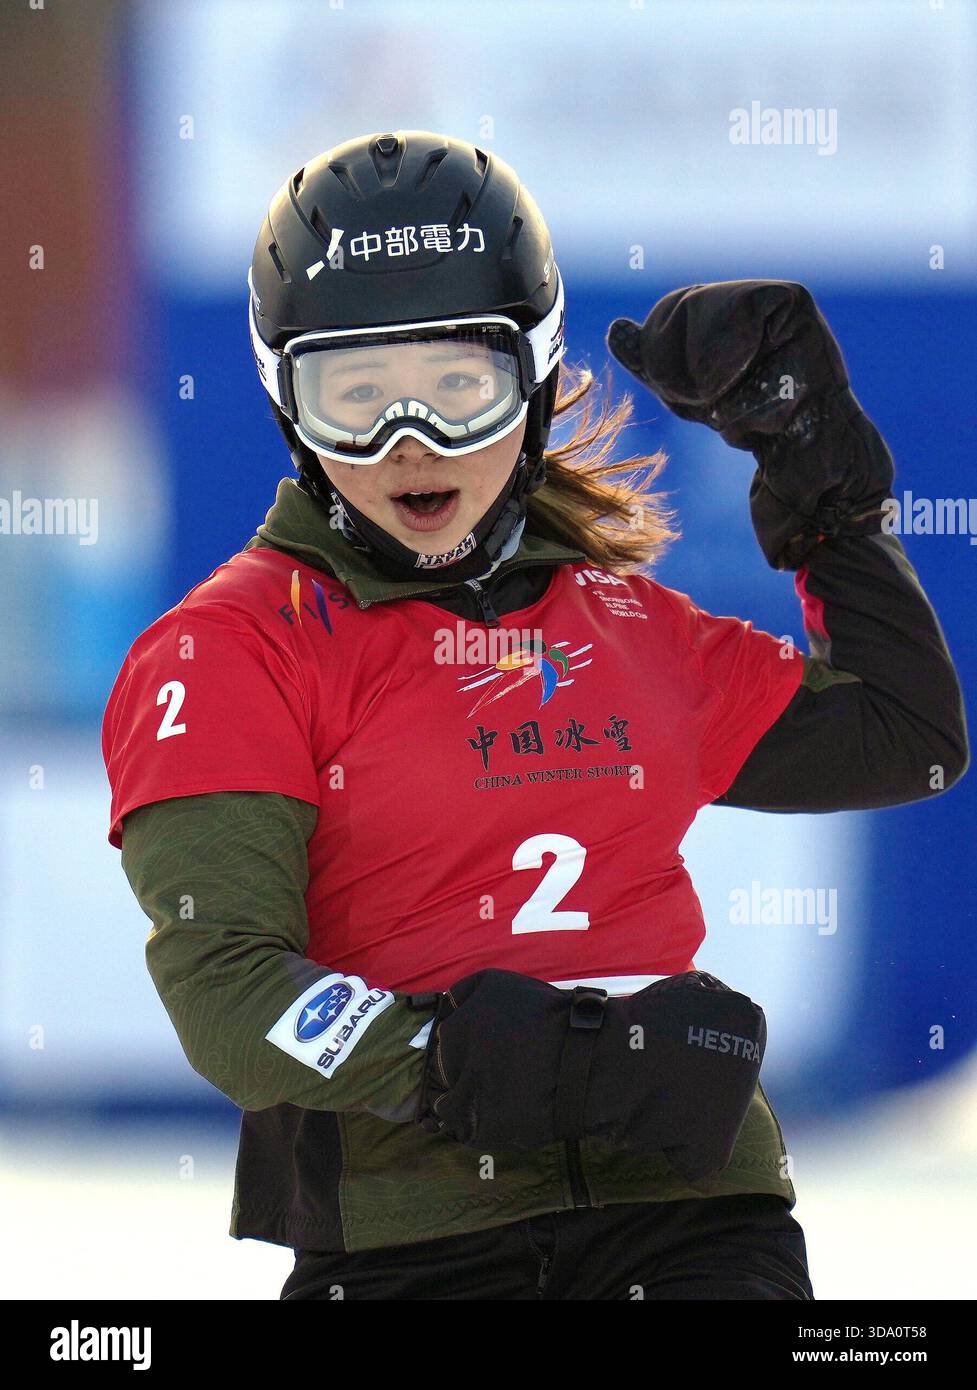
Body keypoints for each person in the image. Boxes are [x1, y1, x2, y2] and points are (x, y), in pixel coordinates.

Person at [101, 129, 968, 1301]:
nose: (409, 442)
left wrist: (820, 485)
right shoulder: (232, 649)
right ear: (284, 403)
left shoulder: (622, 623)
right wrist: (485, 1062)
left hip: (692, 1224)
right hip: (410, 1243)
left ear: (536, 379)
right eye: (354, 394)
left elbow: (905, 741)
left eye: (458, 387)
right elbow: (227, 986)